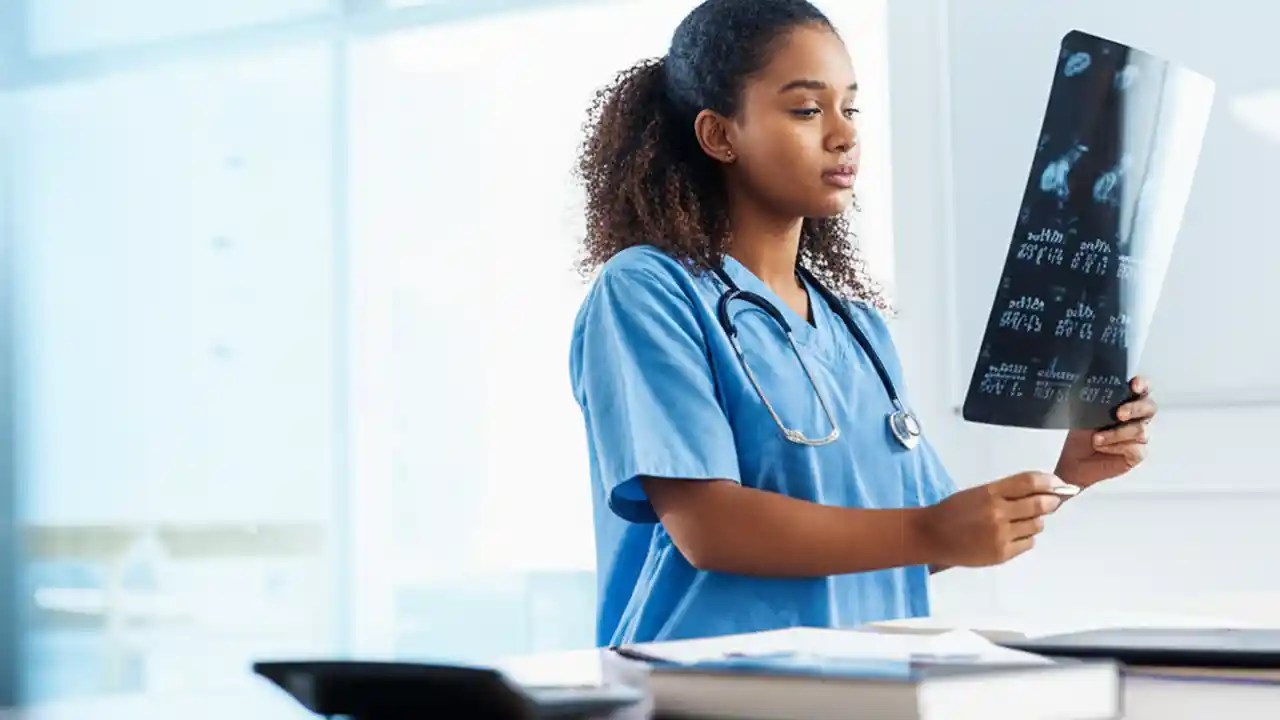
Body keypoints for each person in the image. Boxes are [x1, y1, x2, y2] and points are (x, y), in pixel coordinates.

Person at [568, 0, 1158, 648]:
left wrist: (1070, 473)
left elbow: (919, 539)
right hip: (702, 682)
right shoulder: (649, 289)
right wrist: (930, 530)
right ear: (719, 135)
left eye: (850, 108)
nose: (843, 134)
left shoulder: (857, 331)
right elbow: (709, 527)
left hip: (863, 682)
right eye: (806, 109)